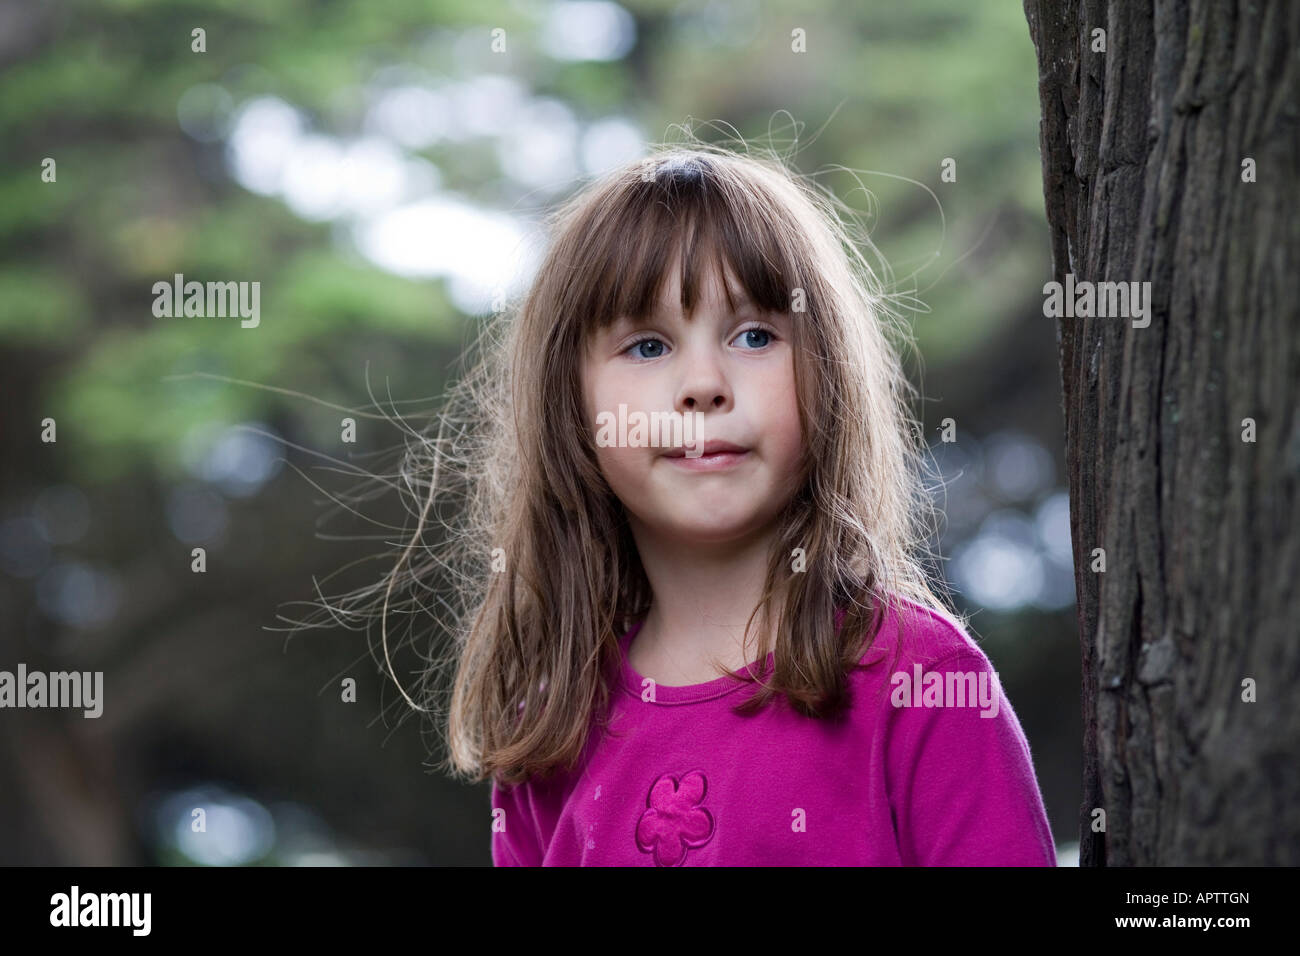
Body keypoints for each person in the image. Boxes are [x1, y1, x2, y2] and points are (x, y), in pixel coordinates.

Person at [386, 143, 1056, 865]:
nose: (703, 384)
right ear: (569, 404)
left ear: (826, 375)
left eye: (754, 335)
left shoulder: (926, 683)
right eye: (647, 346)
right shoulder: (546, 731)